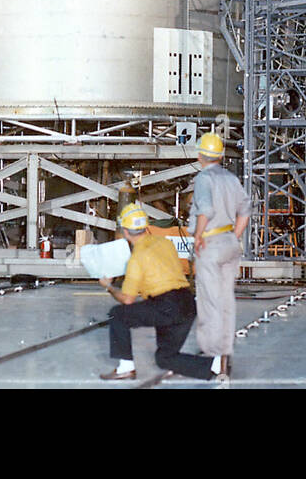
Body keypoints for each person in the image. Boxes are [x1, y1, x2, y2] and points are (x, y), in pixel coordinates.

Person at [98, 203, 224, 383]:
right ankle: (216, 365)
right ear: (146, 226)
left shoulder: (137, 257)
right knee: (164, 358)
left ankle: (126, 367)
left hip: (166, 305)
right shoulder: (165, 243)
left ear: (125, 232)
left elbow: (127, 300)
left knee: (118, 315)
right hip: (187, 303)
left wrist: (108, 286)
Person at [190, 131, 249, 377]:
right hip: (229, 243)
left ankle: (213, 360)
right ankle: (224, 359)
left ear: (200, 155)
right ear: (221, 155)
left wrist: (198, 237)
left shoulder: (204, 179)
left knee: (209, 302)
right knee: (226, 303)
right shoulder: (231, 179)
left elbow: (205, 210)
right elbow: (245, 210)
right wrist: (234, 236)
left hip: (211, 244)